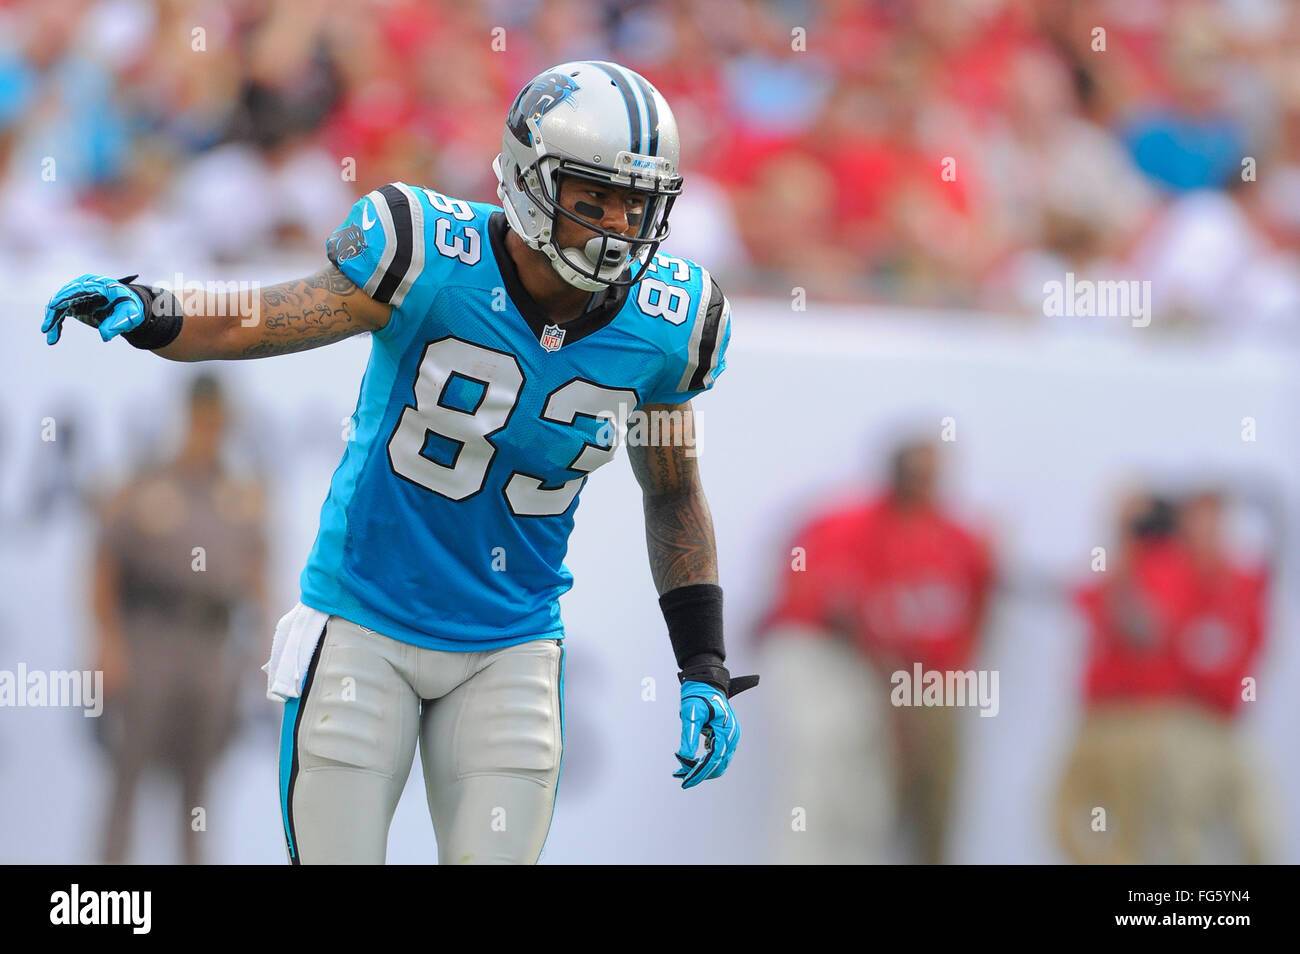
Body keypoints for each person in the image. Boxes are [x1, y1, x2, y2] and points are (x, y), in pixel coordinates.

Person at [44, 61, 757, 865]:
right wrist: (162, 313)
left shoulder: (672, 325)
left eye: (639, 201)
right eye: (595, 196)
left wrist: (701, 661)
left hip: (512, 641)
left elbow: (672, 493)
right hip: (363, 623)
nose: (620, 224)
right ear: (529, 179)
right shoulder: (425, 251)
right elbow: (266, 318)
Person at [92, 373, 268, 864]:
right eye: (203, 417)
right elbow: (104, 564)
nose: (211, 428)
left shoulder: (241, 495)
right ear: (187, 417)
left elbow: (258, 574)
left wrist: (263, 654)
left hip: (211, 646)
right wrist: (107, 644)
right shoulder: (147, 484)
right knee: (127, 777)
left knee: (199, 791)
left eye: (219, 420)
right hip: (150, 638)